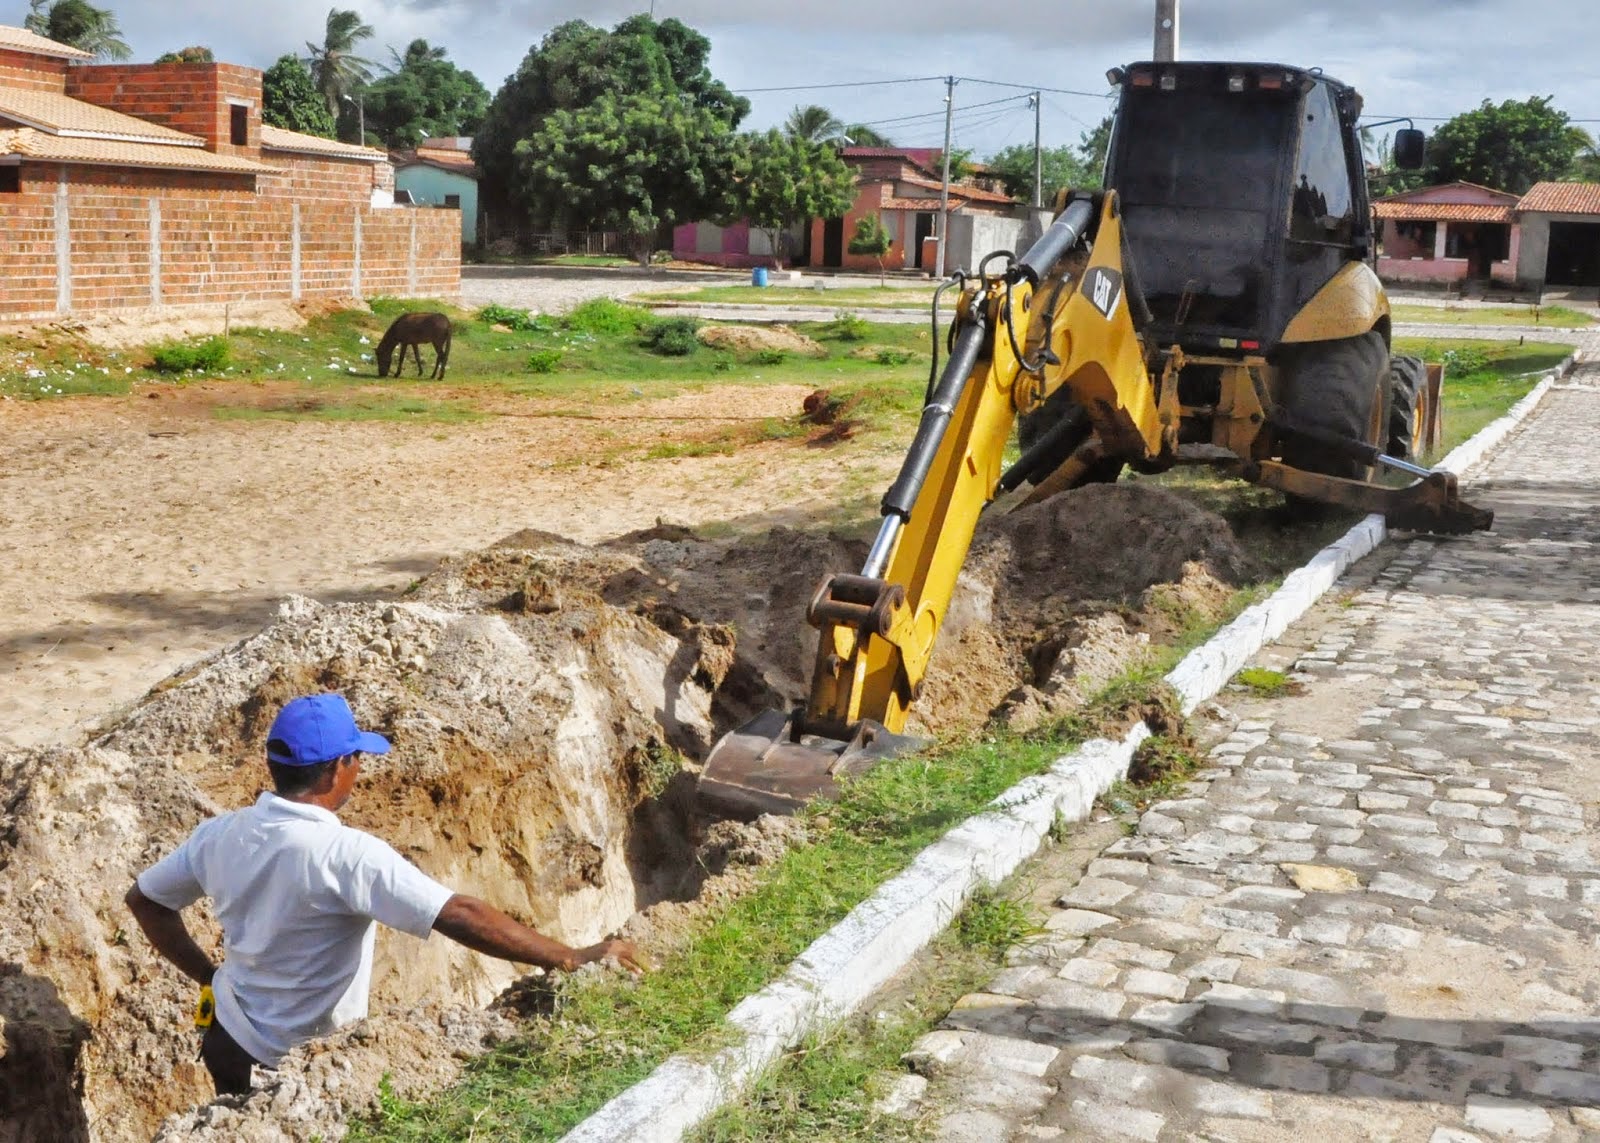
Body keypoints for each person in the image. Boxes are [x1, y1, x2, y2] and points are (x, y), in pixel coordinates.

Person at [125, 693, 647, 1096]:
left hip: (230, 1042)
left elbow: (146, 900)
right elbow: (458, 913)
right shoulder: (345, 853)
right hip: (298, 1065)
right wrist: (569, 956)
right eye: (356, 758)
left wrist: (208, 976)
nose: (359, 769)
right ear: (335, 769)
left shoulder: (219, 835)